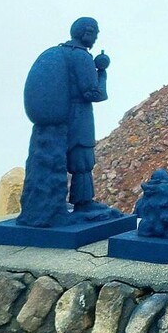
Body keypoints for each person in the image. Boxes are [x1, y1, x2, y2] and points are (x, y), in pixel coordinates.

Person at [19, 17, 114, 226]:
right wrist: (102, 72)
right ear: (86, 33)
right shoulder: (82, 57)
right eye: (95, 33)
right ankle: (83, 203)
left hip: (62, 118)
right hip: (79, 116)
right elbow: (94, 93)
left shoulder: (63, 52)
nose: (96, 37)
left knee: (76, 159)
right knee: (82, 160)